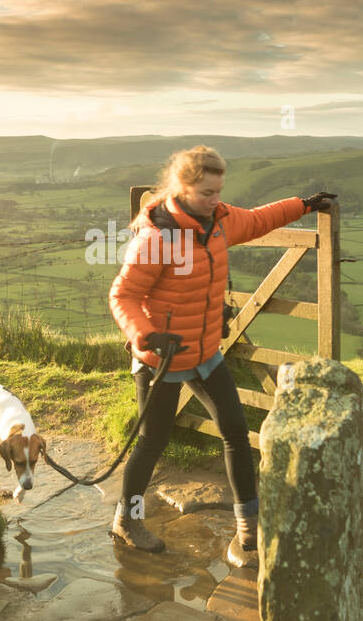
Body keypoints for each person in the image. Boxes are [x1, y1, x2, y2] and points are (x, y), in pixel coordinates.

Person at [107, 144, 336, 567]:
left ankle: (248, 525)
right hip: (161, 356)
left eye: (219, 191)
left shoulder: (220, 220)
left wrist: (304, 205)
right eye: (207, 193)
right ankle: (126, 519)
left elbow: (259, 219)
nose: (216, 200)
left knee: (234, 428)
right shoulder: (158, 237)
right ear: (183, 188)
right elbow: (124, 294)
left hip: (205, 351)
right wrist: (143, 335)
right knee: (153, 441)